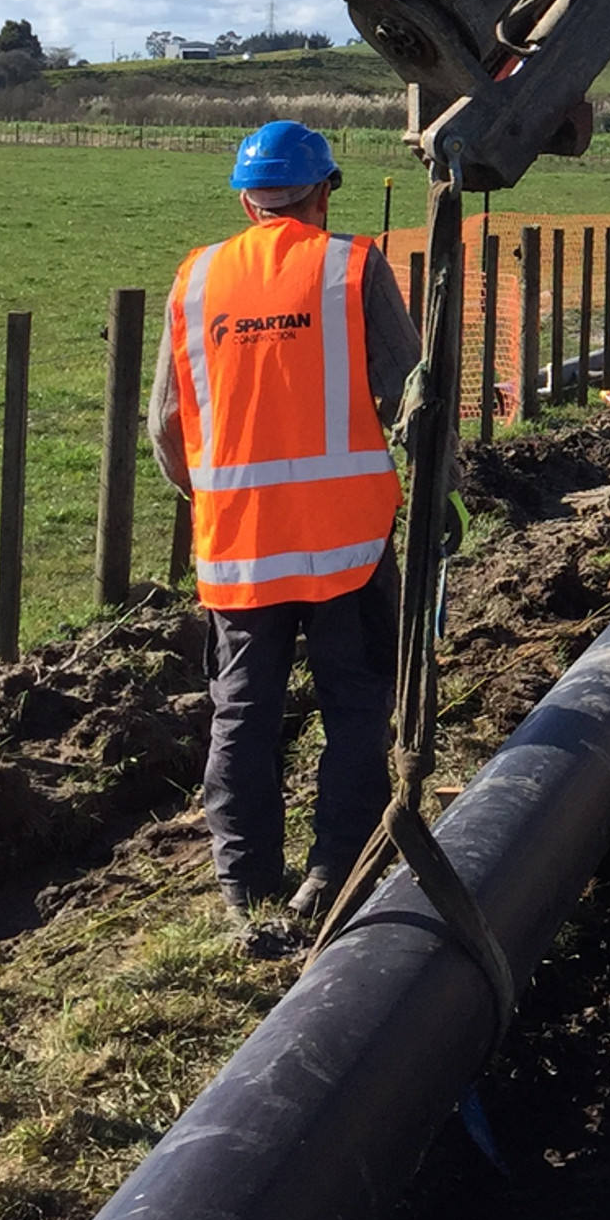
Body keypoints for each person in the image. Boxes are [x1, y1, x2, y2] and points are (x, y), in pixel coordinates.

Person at [151, 118, 418, 939]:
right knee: (355, 707)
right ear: (323, 193)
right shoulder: (352, 265)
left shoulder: (196, 279)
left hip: (239, 547)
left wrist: (213, 496)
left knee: (241, 713)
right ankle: (335, 872)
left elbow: (165, 423)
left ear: (248, 200)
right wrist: (436, 490)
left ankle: (245, 889)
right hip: (347, 544)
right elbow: (414, 394)